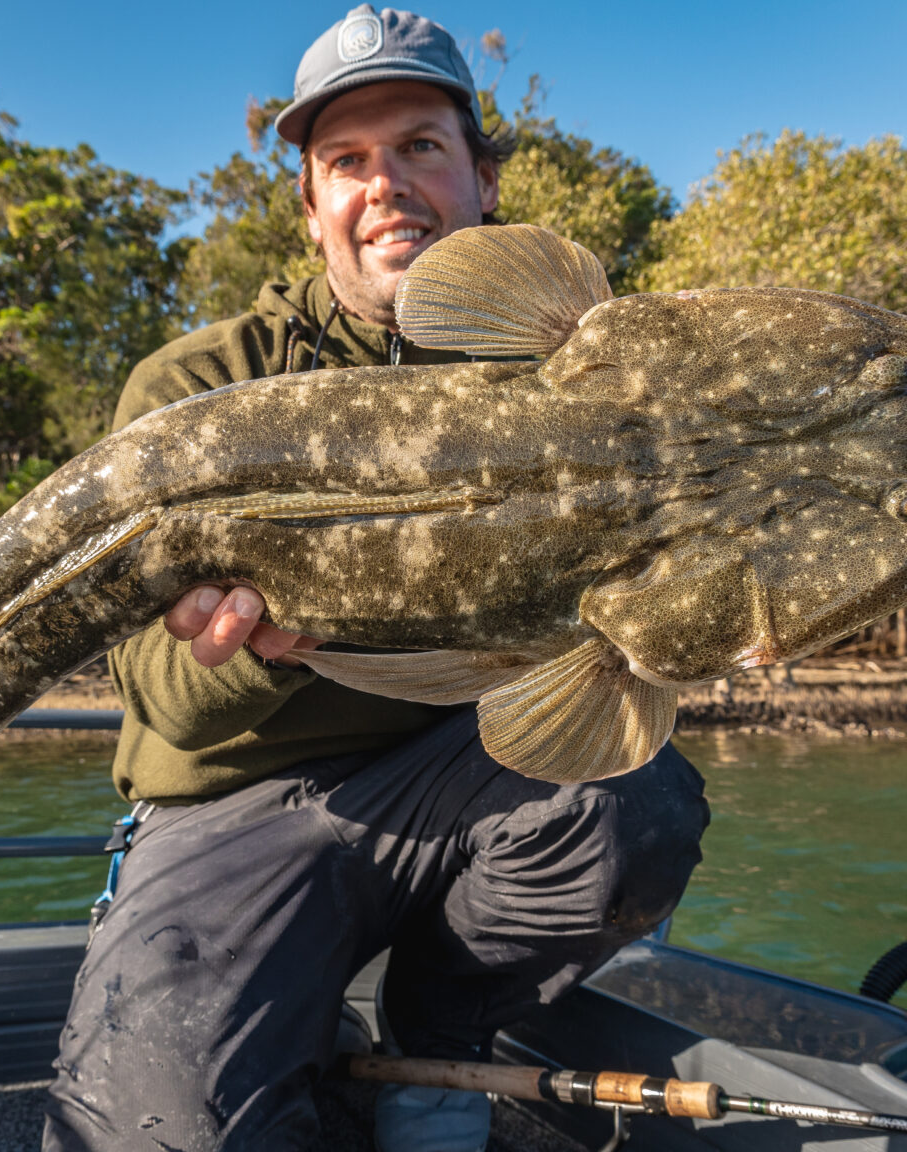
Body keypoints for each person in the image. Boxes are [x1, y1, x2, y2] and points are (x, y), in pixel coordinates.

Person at [42, 7, 709, 1151]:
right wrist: (250, 648)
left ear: (483, 179)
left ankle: (441, 1036)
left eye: (420, 146)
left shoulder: (580, 375)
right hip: (232, 808)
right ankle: (274, 1020)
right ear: (310, 209)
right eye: (346, 162)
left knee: (635, 800)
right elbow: (164, 701)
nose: (385, 184)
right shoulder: (199, 384)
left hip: (466, 781)